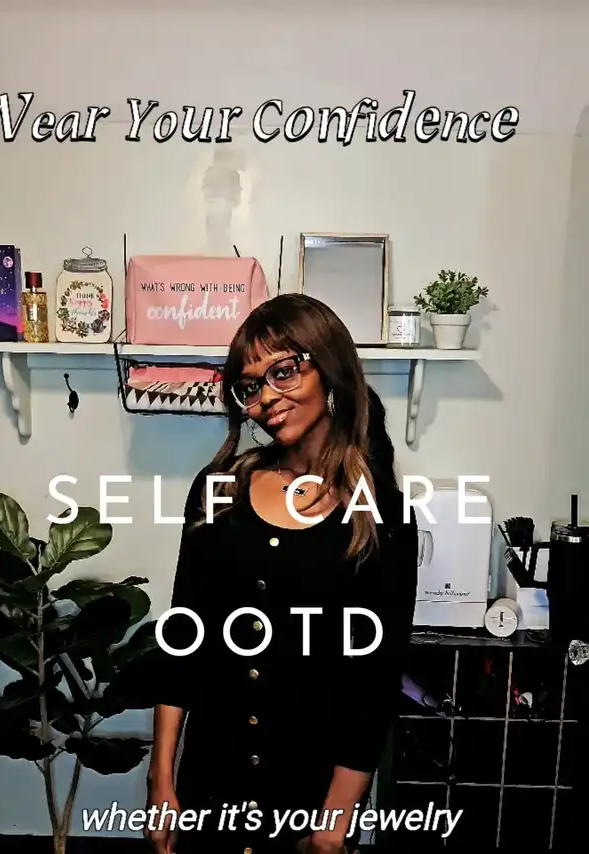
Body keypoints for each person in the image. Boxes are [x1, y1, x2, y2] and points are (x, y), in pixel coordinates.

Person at [145, 293, 418, 854]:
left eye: (284, 372)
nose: (266, 398)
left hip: (309, 790)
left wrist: (334, 823)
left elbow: (374, 683)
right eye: (249, 386)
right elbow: (183, 640)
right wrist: (160, 777)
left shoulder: (381, 515)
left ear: (329, 368)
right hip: (210, 781)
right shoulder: (219, 490)